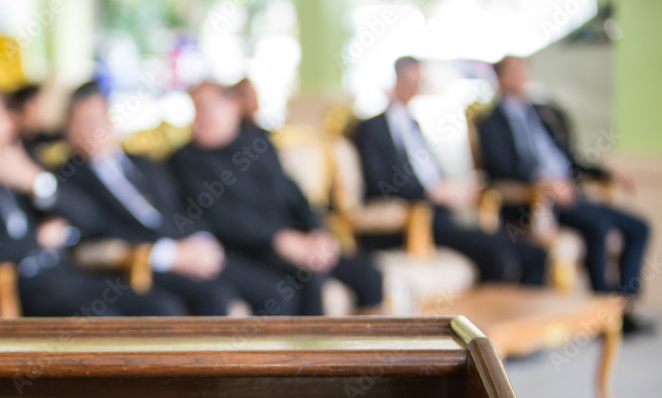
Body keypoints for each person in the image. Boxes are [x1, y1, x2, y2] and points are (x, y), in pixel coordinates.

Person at [0, 86, 182, 317]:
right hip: (13, 287)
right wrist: (39, 239)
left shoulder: (27, 161)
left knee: (160, 308)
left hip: (64, 276)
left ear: (9, 120)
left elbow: (87, 219)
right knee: (102, 321)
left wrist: (32, 181)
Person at [170, 81, 383, 315]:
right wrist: (279, 239)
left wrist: (317, 232)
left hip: (292, 239)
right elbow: (221, 217)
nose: (200, 118)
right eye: (196, 109)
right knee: (303, 282)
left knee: (370, 276)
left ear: (233, 106)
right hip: (247, 250)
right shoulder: (185, 160)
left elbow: (294, 194)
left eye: (207, 107)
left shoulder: (258, 144)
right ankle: (305, 341)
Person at [477, 55, 651, 333]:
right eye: (515, 70)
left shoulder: (542, 114)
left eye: (524, 69)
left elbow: (568, 158)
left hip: (570, 193)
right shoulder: (489, 121)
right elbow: (498, 168)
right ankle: (600, 309)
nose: (522, 75)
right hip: (536, 201)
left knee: (639, 227)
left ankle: (622, 305)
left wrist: (606, 173)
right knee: (599, 226)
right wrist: (543, 182)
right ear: (500, 77)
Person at [355, 56, 547, 286]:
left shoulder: (414, 124)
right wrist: (430, 192)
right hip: (415, 216)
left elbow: (428, 172)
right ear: (395, 80)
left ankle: (521, 306)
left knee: (533, 254)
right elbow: (380, 183)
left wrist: (452, 190)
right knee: (497, 254)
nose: (414, 87)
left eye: (418, 82)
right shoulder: (371, 127)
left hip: (442, 212)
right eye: (409, 81)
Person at [55, 81, 239, 316]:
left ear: (110, 120)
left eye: (96, 119)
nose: (91, 129)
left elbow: (179, 206)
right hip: (136, 265)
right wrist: (168, 254)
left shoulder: (145, 164)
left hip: (185, 248)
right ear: (68, 130)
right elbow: (97, 229)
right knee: (187, 303)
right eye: (81, 122)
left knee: (244, 287)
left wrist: (200, 240)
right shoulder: (68, 179)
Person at [8, 83, 62, 164]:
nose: (40, 110)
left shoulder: (51, 140)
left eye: (41, 104)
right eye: (35, 104)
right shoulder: (10, 141)